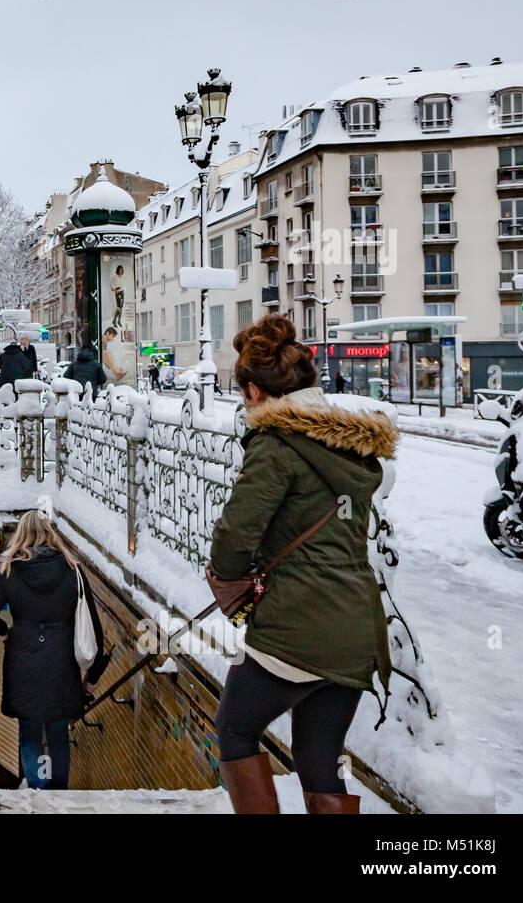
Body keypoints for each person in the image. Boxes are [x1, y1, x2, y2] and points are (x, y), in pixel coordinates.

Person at [209, 315, 397, 814]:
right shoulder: (347, 445)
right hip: (357, 625)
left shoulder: (274, 445)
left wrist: (231, 581)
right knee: (318, 761)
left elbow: (236, 534)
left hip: (298, 626)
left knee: (235, 727)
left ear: (252, 391)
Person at [0, 509, 109, 789]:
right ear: (51, 534)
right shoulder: (73, 571)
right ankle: (59, 795)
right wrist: (91, 678)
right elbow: (95, 630)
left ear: (21, 534)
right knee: (58, 732)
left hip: (23, 661)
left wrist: (5, 632)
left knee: (30, 731)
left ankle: (36, 792)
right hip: (62, 661)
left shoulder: (9, 570)